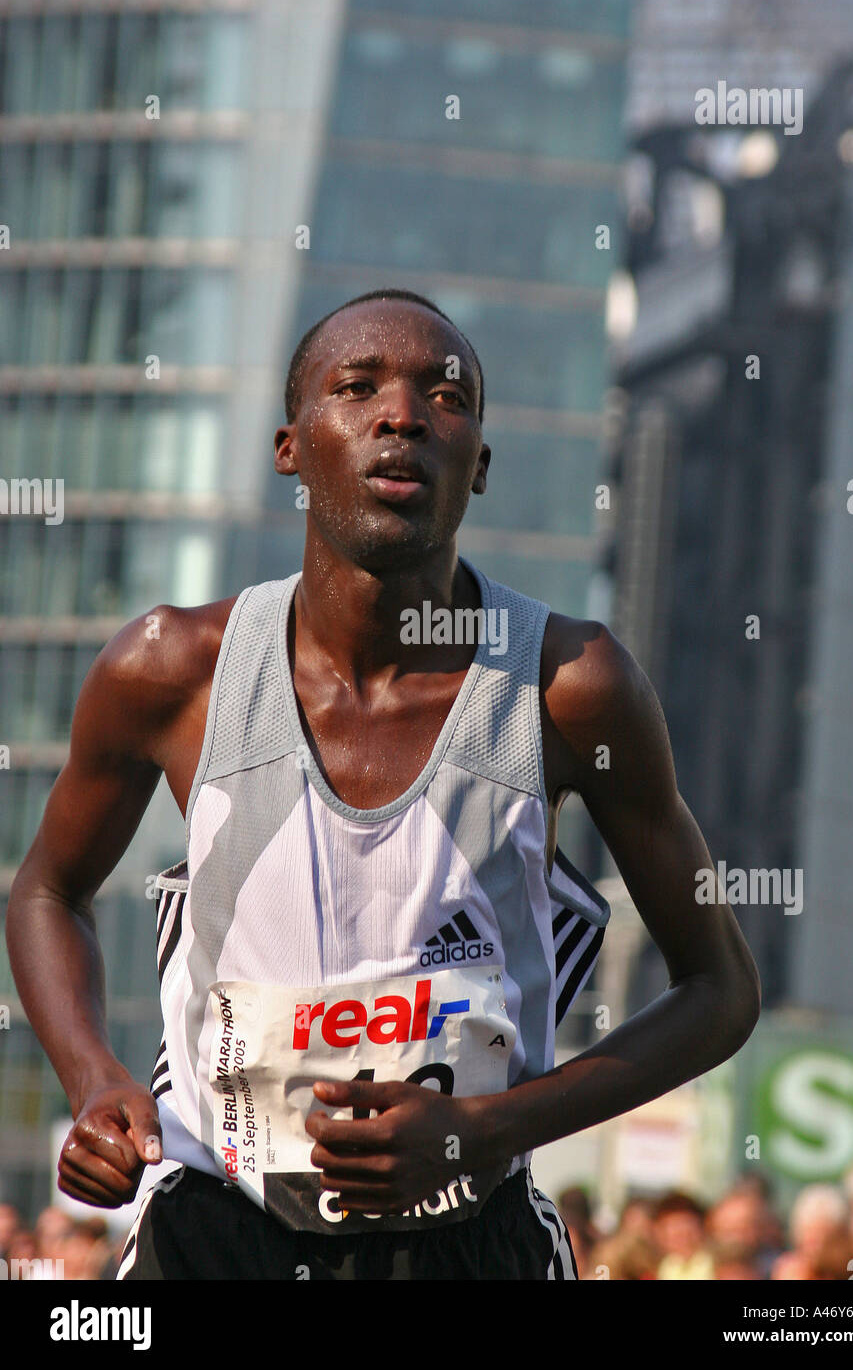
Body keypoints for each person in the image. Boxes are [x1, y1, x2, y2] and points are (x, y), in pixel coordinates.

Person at [6, 288, 761, 1280]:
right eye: (355, 388)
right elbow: (47, 889)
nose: (401, 414)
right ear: (290, 447)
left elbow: (720, 988)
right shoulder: (169, 668)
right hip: (209, 1236)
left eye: (444, 398)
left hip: (469, 1242)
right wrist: (94, 1076)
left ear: (478, 463)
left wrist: (482, 1128)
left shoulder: (569, 685)